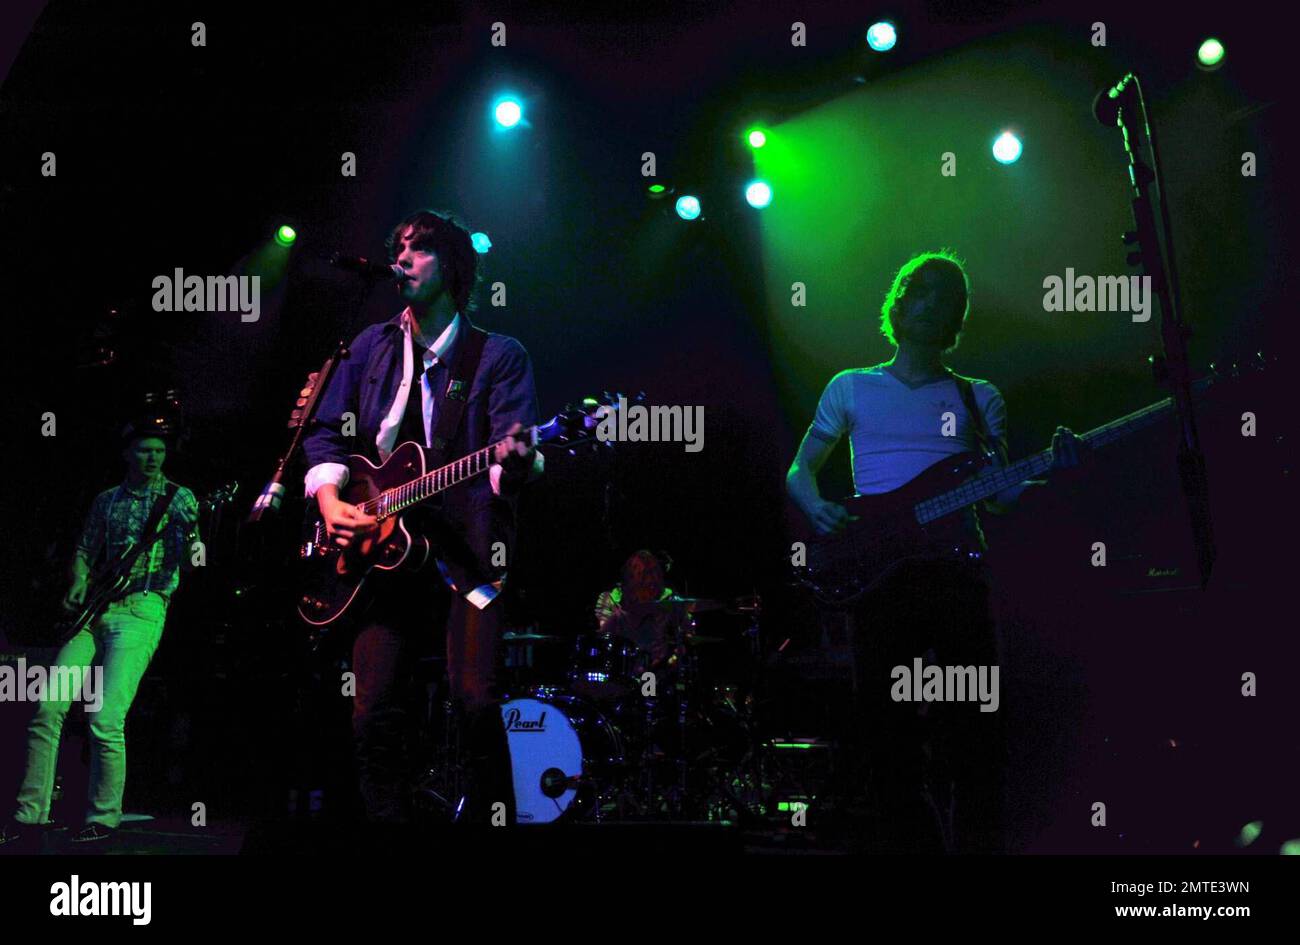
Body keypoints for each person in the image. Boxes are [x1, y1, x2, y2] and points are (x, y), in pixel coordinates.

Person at [785, 250, 1084, 853]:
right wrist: (816, 507)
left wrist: (1055, 472)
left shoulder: (978, 397)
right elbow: (800, 469)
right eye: (918, 293)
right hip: (879, 578)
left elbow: (998, 497)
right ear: (897, 305)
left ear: (957, 319)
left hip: (956, 576)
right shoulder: (851, 386)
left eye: (944, 299)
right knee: (888, 741)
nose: (929, 306)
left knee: (976, 735)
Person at [302, 209, 542, 823]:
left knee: (476, 700)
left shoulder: (498, 356)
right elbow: (325, 430)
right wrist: (331, 501)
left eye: (420, 249)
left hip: (468, 557)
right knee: (371, 711)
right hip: (383, 556)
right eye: (399, 247)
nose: (402, 259)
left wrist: (516, 462)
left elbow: (508, 465)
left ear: (453, 266)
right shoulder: (368, 346)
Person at [1, 424, 198, 846]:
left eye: (159, 451)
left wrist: (191, 534)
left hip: (142, 607)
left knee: (105, 717)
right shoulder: (106, 499)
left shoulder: (179, 497)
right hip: (95, 608)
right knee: (47, 706)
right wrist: (78, 581)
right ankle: (29, 814)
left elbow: (195, 561)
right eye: (144, 450)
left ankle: (104, 817)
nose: (153, 458)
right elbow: (85, 550)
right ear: (127, 454)